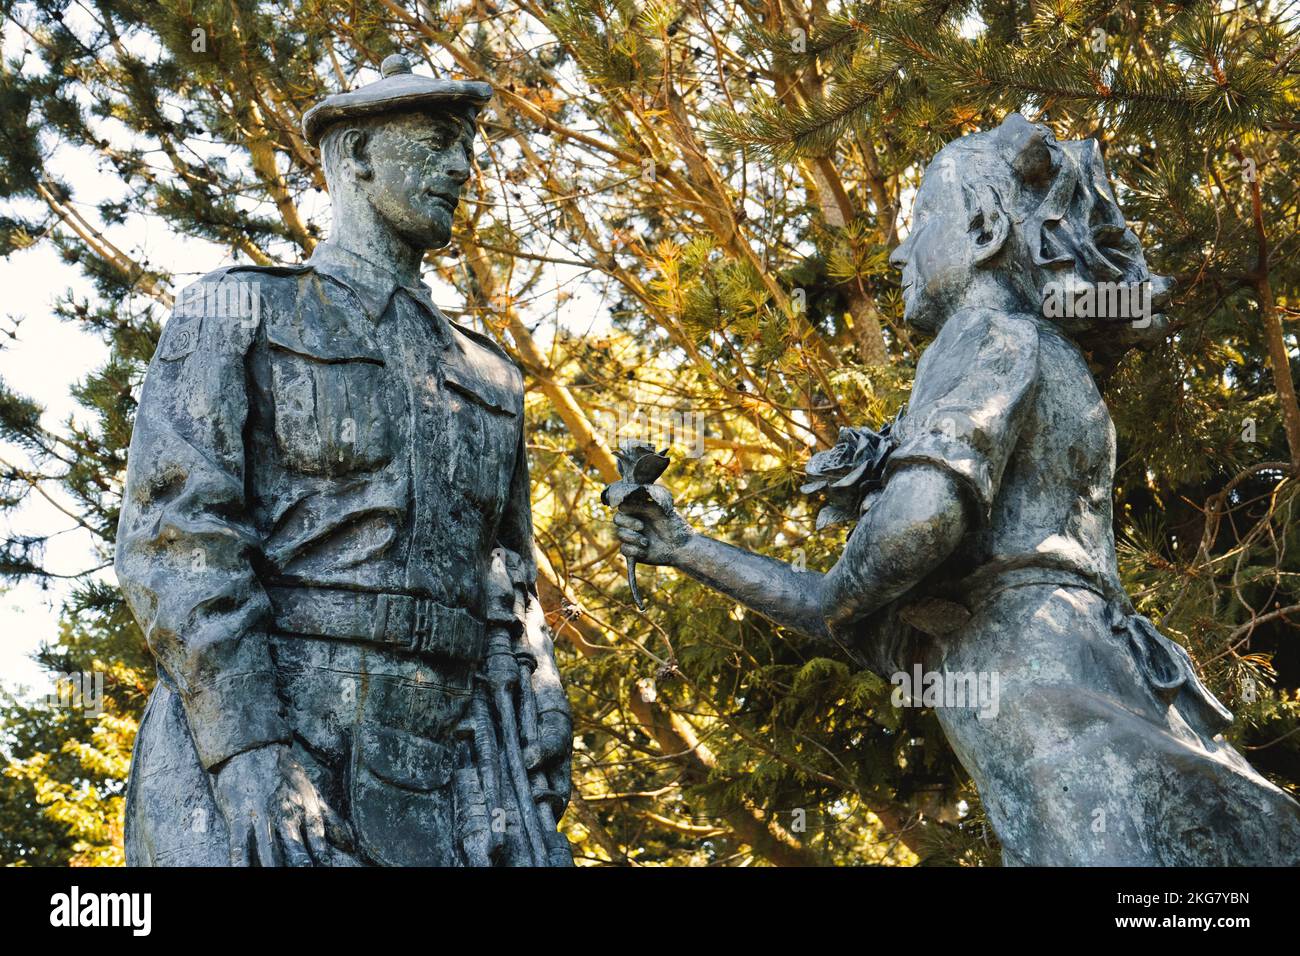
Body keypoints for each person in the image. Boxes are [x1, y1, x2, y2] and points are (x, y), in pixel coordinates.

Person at [614, 114, 1300, 865]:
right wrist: (688, 548)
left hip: (1047, 709)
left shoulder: (987, 334)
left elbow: (911, 529)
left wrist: (852, 579)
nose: (901, 249)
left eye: (921, 222)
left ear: (980, 229)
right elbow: (840, 601)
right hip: (1076, 677)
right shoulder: (1048, 354)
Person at [117, 53, 571, 866]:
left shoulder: (491, 372)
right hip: (287, 735)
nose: (463, 168)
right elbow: (178, 540)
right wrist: (248, 751)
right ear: (356, 154)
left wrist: (544, 699)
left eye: (466, 146)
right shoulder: (238, 307)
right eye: (435, 142)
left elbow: (507, 570)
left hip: (461, 767)